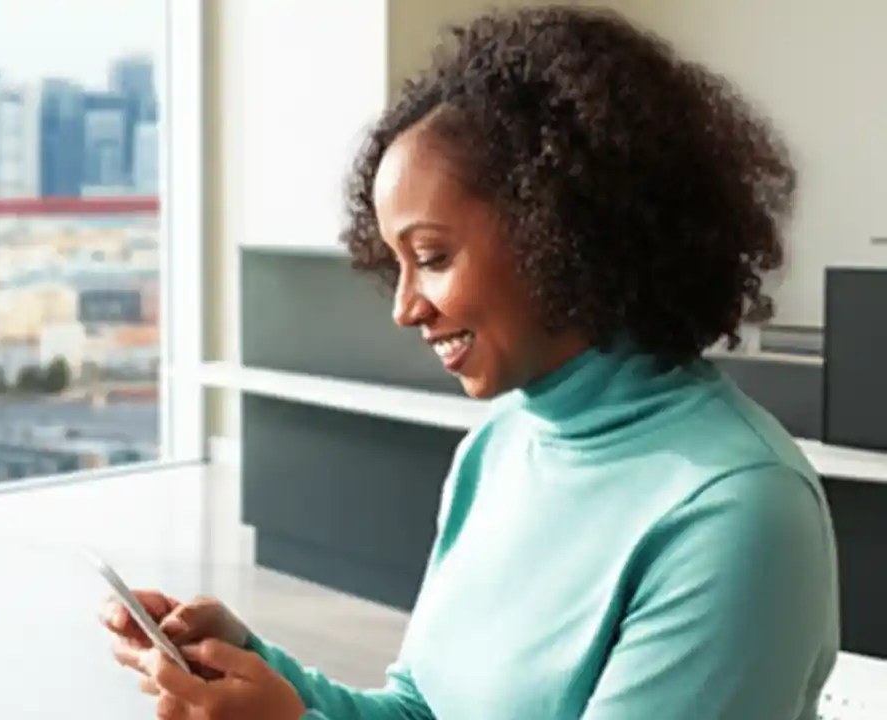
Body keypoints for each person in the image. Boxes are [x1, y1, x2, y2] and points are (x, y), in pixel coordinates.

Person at [102, 6, 839, 719]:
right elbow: (424, 710)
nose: (405, 307)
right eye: (395, 265)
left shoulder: (737, 512)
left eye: (431, 257)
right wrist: (259, 672)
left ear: (561, 229)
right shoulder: (498, 446)